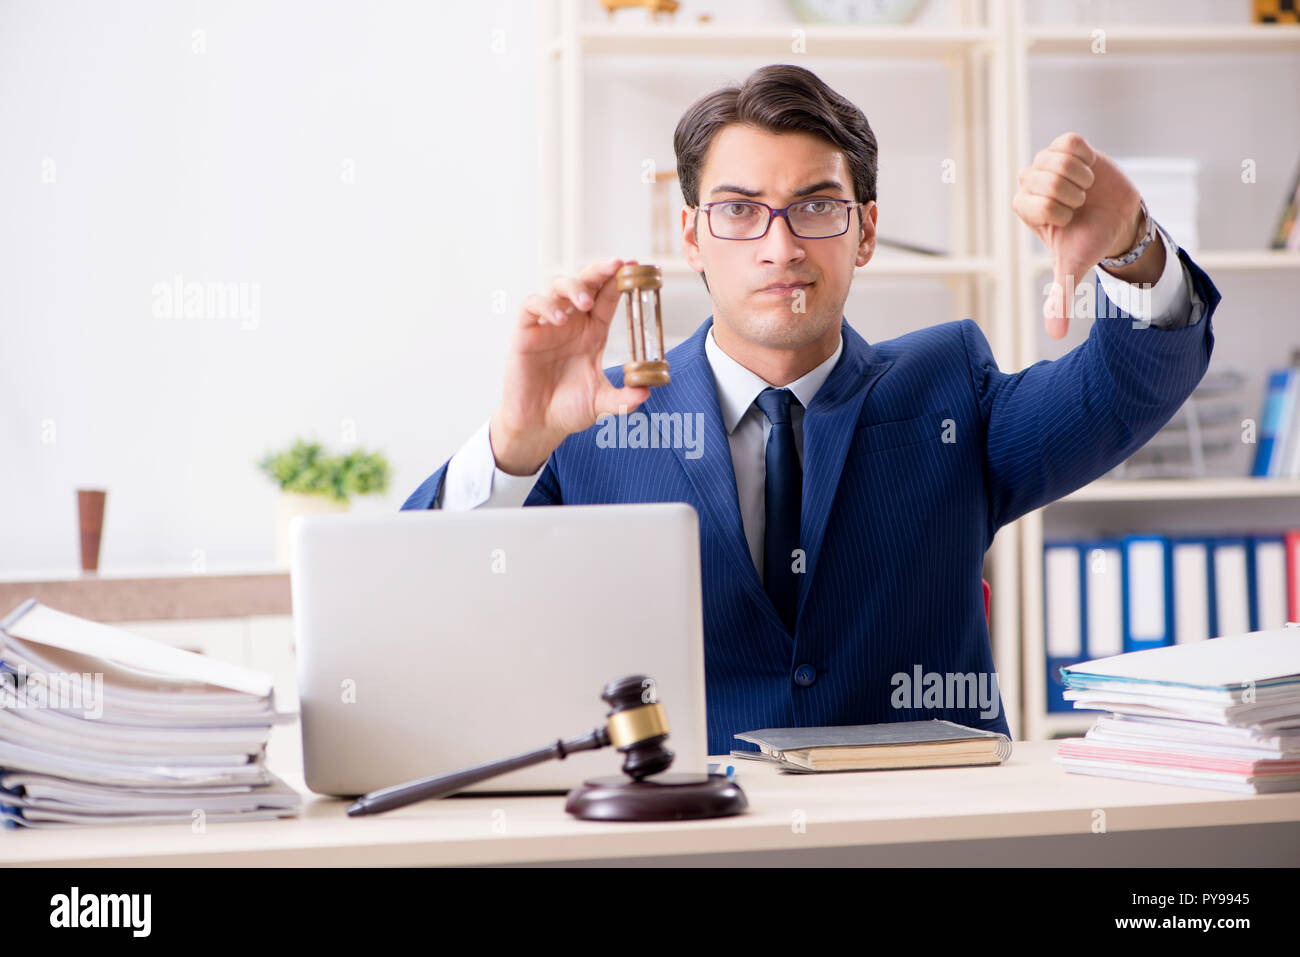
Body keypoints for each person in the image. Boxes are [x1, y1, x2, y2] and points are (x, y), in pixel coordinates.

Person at [402, 63, 1219, 756]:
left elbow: (1129, 385)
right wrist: (514, 443)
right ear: (689, 236)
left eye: (817, 207)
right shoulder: (591, 421)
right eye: (738, 209)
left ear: (864, 232)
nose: (780, 246)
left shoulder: (947, 388)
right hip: (685, 835)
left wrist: (1133, 244)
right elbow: (423, 605)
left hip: (929, 837)